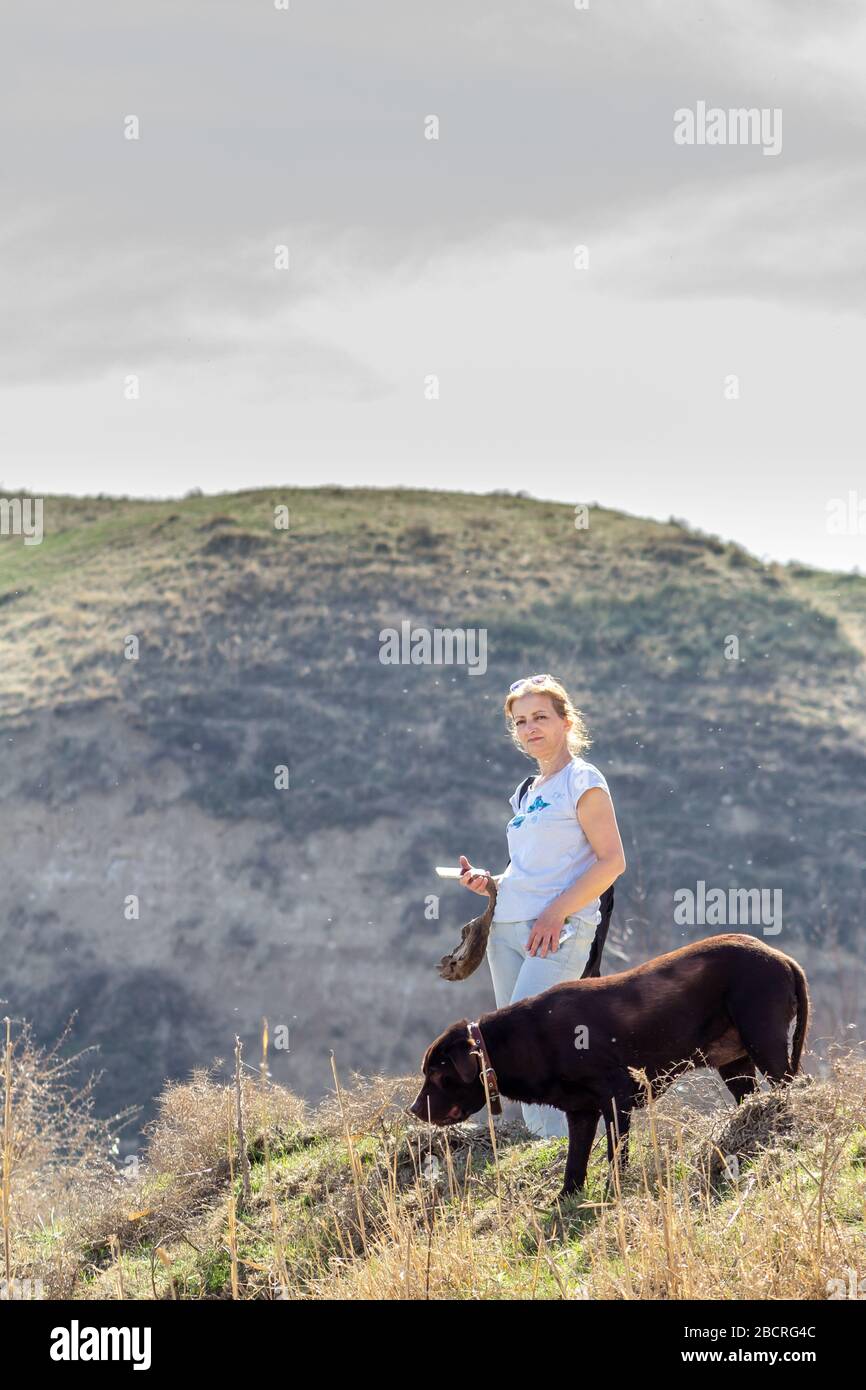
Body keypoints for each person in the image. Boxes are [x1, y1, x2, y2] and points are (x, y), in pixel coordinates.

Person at [458, 673, 626, 1139]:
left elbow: (612, 861)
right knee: (509, 1049)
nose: (530, 728)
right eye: (520, 721)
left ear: (565, 721)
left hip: (556, 930)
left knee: (538, 1040)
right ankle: (541, 1147)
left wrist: (555, 912)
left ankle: (565, 1149)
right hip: (506, 928)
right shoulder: (527, 790)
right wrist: (490, 882)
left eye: (540, 717)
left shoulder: (583, 780)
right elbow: (528, 867)